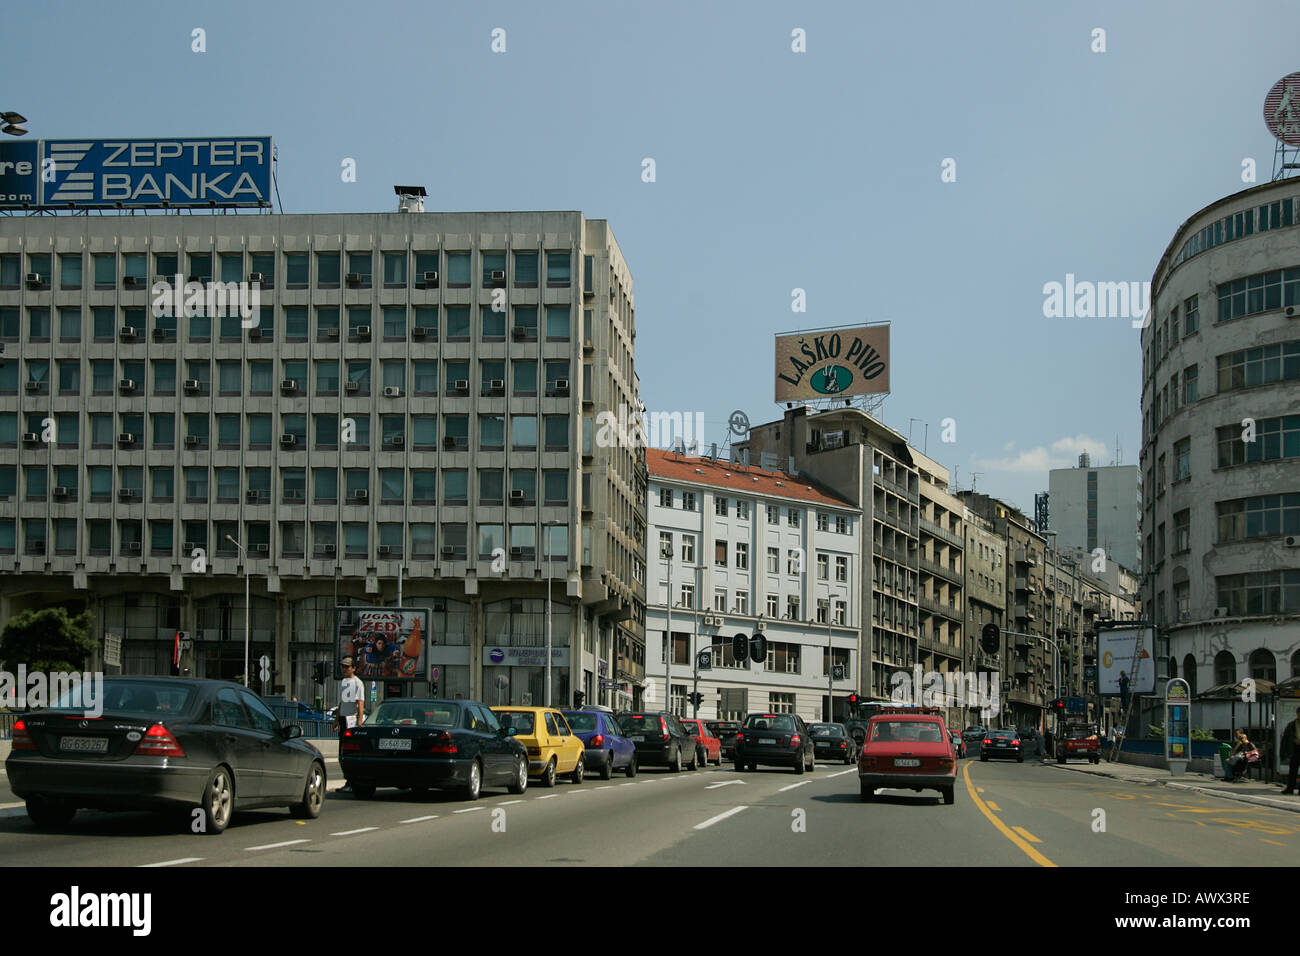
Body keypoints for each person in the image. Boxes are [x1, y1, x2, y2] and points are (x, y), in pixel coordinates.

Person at [337, 657, 365, 793]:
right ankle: (347, 781)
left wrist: (359, 722)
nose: (344, 669)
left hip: (351, 721)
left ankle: (351, 781)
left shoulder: (358, 683)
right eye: (343, 667)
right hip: (343, 720)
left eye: (347, 667)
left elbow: (360, 704)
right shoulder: (343, 683)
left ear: (353, 668)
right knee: (341, 753)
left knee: (348, 752)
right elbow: (341, 703)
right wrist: (336, 720)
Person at [1281, 707, 1300, 795]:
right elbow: (1286, 738)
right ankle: (1290, 788)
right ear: (1297, 713)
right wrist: (1283, 752)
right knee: (1293, 770)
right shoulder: (1292, 724)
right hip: (1295, 749)